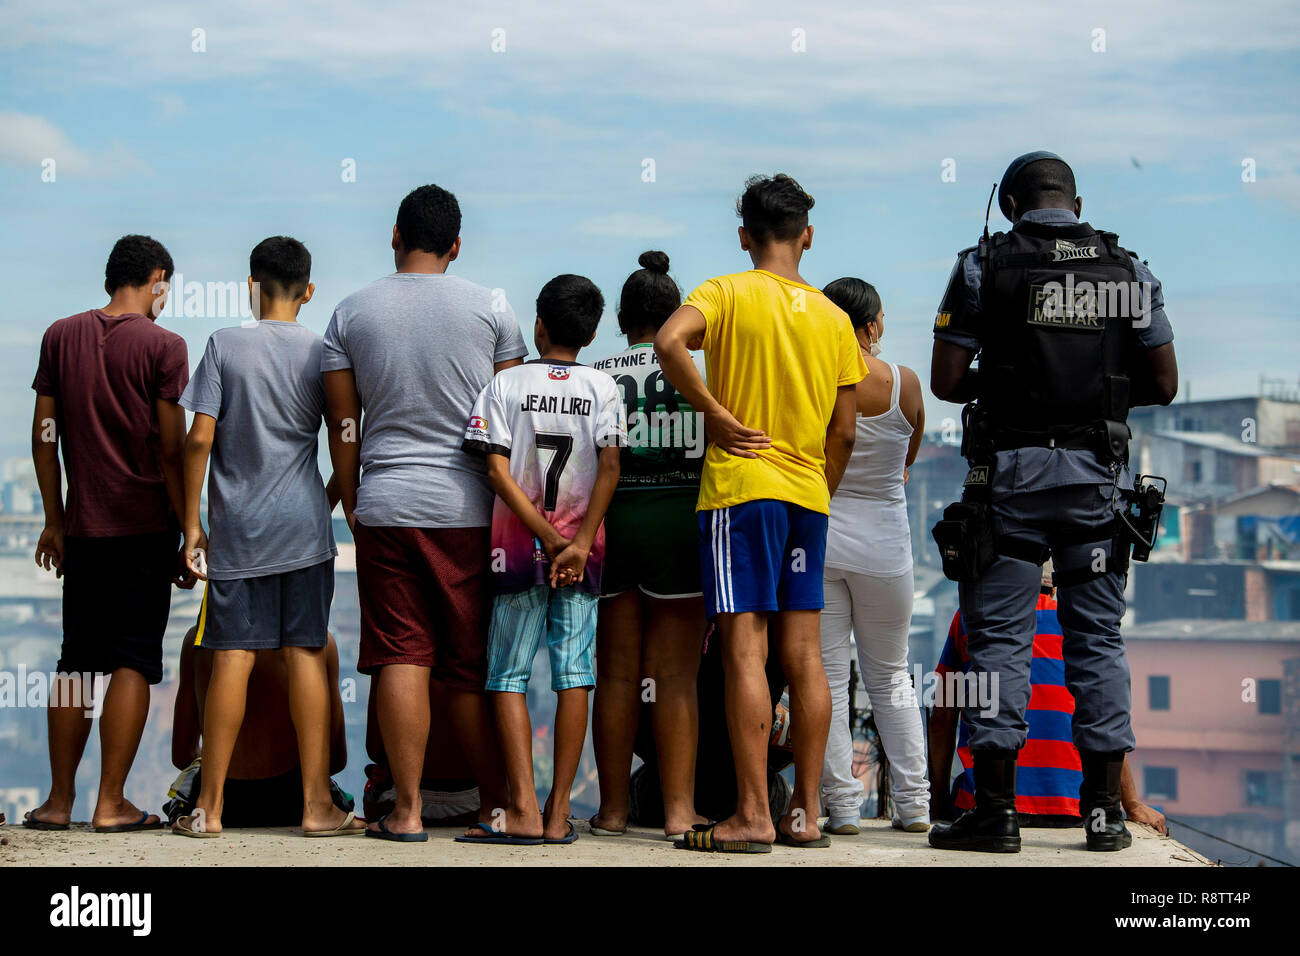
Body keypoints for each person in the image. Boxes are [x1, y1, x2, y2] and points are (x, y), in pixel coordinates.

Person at [928, 151, 1178, 853]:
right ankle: (1103, 812)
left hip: (1010, 478)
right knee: (1096, 640)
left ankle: (997, 814)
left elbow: (948, 380)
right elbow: (1164, 382)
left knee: (999, 642)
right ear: (1075, 200)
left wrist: (1010, 370)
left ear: (1010, 204)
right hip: (1098, 481)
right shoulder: (1128, 270)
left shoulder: (985, 265)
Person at [655, 173, 867, 852]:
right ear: (807, 236)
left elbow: (667, 344)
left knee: (745, 648)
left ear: (744, 235)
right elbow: (846, 431)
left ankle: (751, 815)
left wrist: (715, 415)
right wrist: (819, 489)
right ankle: (804, 812)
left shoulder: (724, 291)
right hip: (808, 495)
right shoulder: (836, 320)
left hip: (742, 492)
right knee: (804, 656)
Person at [323, 184, 527, 842]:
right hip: (468, 507)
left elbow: (343, 425)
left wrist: (354, 503)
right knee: (468, 666)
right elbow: (513, 419)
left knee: (399, 656)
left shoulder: (351, 313)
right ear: (457, 245)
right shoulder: (492, 309)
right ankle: (498, 804)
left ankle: (404, 811)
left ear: (394, 235)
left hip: (385, 504)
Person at [171, 236, 361, 838]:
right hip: (304, 529)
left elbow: (197, 439)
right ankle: (314, 807)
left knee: (231, 655)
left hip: (239, 533)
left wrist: (193, 525)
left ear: (251, 286)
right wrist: (328, 499)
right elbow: (344, 436)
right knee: (305, 651)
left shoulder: (223, 345)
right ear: (309, 290)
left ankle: (210, 808)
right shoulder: (323, 351)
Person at [26, 235, 193, 833]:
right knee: (133, 662)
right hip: (145, 525)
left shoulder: (59, 335)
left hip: (84, 526)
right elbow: (173, 451)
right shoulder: (165, 347)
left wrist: (54, 519)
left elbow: (44, 437)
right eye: (166, 287)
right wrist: (187, 531)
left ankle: (57, 802)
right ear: (155, 279)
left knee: (75, 662)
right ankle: (112, 802)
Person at [458, 274, 625, 845]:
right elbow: (609, 469)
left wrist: (543, 537)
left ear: (539, 324)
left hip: (516, 550)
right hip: (583, 553)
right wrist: (576, 541)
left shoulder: (505, 386)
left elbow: (496, 471)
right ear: (593, 332)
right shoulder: (604, 389)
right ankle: (558, 817)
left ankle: (522, 811)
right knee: (575, 676)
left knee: (506, 676)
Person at [589, 251, 710, 841]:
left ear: (622, 317)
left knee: (614, 675)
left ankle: (612, 811)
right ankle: (679, 813)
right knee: (676, 679)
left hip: (611, 530)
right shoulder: (698, 378)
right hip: (681, 531)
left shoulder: (597, 375)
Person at [929, 562, 1168, 835]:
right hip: (1074, 810)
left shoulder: (970, 617)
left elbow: (942, 716)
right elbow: (1101, 717)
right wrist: (1132, 804)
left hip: (986, 809)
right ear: (1054, 587)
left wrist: (937, 805)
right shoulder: (1083, 627)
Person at [815, 278, 929, 836]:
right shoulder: (906, 384)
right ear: (874, 323)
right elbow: (908, 457)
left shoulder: (815, 381)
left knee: (830, 680)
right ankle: (915, 807)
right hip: (887, 546)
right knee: (892, 679)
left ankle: (840, 810)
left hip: (823, 540)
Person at [166, 627, 355, 828]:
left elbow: (182, 754)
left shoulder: (198, 640)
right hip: (295, 800)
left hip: (218, 801)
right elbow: (335, 759)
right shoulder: (319, 641)